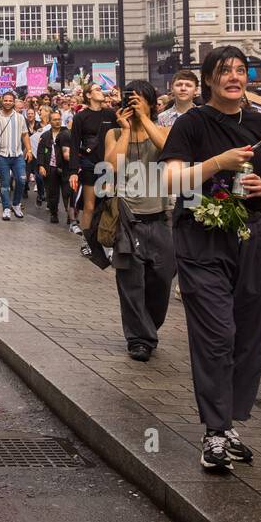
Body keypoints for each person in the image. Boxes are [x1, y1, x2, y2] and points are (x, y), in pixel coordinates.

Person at [160, 47, 261, 472]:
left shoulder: (259, 121)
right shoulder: (192, 123)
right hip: (202, 238)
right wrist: (219, 163)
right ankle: (213, 432)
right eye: (223, 71)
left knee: (249, 337)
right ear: (209, 80)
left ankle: (229, 423)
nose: (233, 77)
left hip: (255, 238)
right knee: (217, 333)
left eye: (240, 70)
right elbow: (170, 178)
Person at [103, 81, 173, 363]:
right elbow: (110, 167)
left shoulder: (164, 130)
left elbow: (169, 149)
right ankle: (139, 339)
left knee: (162, 279)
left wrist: (145, 118)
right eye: (130, 100)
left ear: (153, 103)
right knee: (131, 283)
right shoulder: (115, 132)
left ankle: (148, 328)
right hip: (127, 220)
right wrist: (128, 129)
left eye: (140, 100)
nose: (134, 105)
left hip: (159, 219)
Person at [70, 85, 118, 250]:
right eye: (97, 89)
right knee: (89, 206)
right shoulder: (80, 117)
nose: (101, 91)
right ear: (89, 95)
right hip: (89, 165)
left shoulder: (111, 114)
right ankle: (86, 241)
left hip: (109, 165)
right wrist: (73, 171)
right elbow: (75, 145)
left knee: (107, 203)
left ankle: (107, 242)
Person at [0, 90, 33, 220]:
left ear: (14, 102)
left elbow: (25, 134)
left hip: (17, 155)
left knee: (21, 180)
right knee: (5, 184)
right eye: (6, 100)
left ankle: (16, 204)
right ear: (2, 101)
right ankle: (6, 208)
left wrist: (29, 150)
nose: (8, 102)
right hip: (1, 155)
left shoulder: (20, 117)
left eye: (10, 100)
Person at [37, 109, 73, 224]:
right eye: (55, 120)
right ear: (50, 121)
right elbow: (40, 152)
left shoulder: (67, 133)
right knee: (52, 193)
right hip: (50, 168)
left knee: (68, 193)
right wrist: (41, 165)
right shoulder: (45, 135)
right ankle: (54, 213)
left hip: (65, 168)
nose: (57, 122)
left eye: (59, 119)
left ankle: (70, 216)